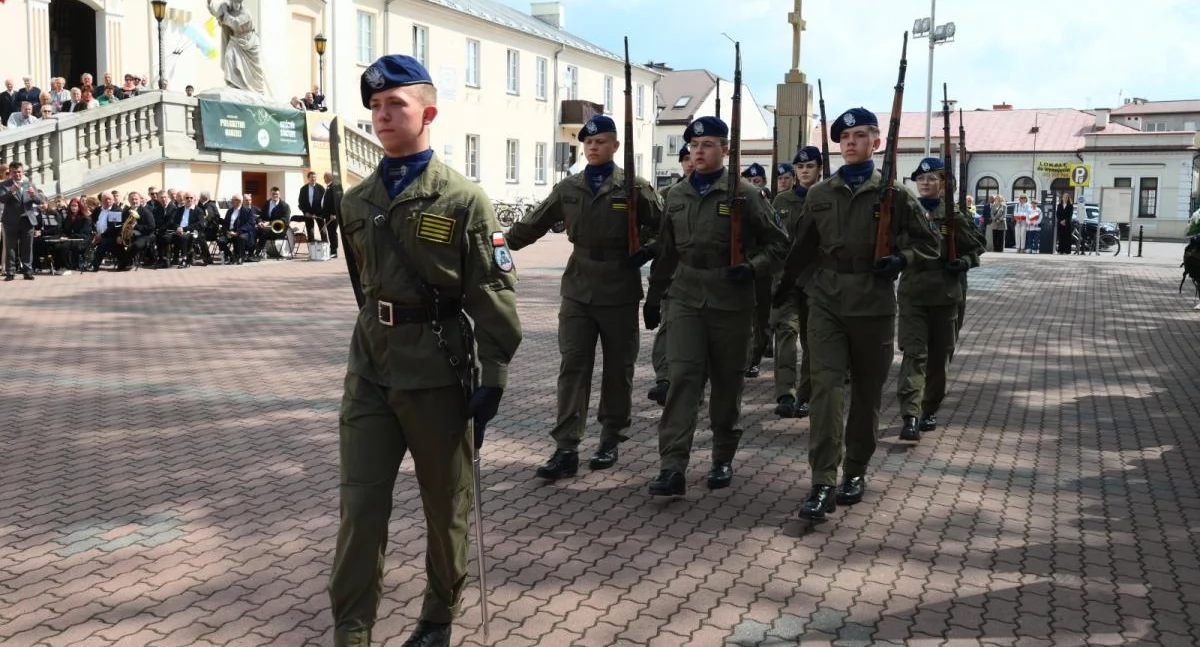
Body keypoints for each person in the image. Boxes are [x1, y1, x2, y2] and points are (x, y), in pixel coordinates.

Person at [329, 54, 522, 647]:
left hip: (439, 371)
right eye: (375, 106)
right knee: (361, 509)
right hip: (370, 369)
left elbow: (491, 290)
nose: (382, 116)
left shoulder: (462, 199)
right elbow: (364, 286)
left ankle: (438, 616)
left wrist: (493, 376)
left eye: (396, 104)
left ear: (428, 113)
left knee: (446, 505)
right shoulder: (356, 201)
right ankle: (352, 633)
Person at [774, 108, 940, 521]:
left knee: (866, 396)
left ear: (876, 143)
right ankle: (822, 481)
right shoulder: (820, 194)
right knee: (826, 392)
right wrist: (792, 288)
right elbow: (801, 248)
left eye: (860, 135)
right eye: (845, 137)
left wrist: (900, 259)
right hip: (827, 303)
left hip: (874, 305)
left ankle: (855, 470)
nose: (851, 142)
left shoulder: (895, 194)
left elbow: (929, 244)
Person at [506, 114, 663, 481]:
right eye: (588, 143)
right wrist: (493, 242)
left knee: (618, 369)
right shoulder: (569, 188)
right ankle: (566, 447)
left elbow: (667, 230)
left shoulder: (635, 188)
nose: (593, 147)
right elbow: (532, 224)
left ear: (615, 146)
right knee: (573, 367)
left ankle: (610, 438)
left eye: (601, 141)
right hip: (578, 287)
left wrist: (648, 249)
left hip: (620, 288)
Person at [643, 115, 788, 496]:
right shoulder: (675, 195)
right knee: (682, 380)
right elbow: (666, 251)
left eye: (707, 145)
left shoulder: (745, 195)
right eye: (694, 145)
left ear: (725, 150)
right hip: (686, 297)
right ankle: (672, 466)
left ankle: (722, 455)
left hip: (730, 300)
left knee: (727, 383)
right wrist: (654, 298)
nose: (699, 152)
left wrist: (752, 268)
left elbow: (779, 245)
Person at [895, 158, 986, 442]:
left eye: (932, 178)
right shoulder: (907, 211)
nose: (925, 183)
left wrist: (964, 262)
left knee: (939, 357)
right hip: (913, 293)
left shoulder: (953, 214)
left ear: (944, 183)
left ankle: (929, 408)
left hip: (946, 294)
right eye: (921, 179)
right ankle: (910, 414)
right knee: (914, 353)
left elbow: (976, 246)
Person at [769, 146, 822, 419]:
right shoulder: (782, 201)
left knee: (813, 339)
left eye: (810, 166)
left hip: (816, 281)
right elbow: (774, 239)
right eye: (800, 167)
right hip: (787, 280)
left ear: (819, 169)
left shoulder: (826, 198)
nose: (804, 171)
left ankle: (805, 394)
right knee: (786, 333)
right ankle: (785, 393)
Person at [647, 143, 693, 405]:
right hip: (670, 275)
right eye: (685, 158)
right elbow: (657, 235)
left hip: (702, 277)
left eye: (693, 157)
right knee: (667, 326)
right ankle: (664, 379)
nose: (690, 162)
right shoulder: (666, 196)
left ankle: (692, 384)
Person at [742, 159, 776, 379]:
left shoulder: (767, 203)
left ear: (764, 182)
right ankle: (746, 358)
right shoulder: (739, 202)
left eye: (757, 180)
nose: (753, 184)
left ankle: (754, 358)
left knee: (761, 318)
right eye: (750, 180)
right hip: (741, 266)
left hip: (762, 268)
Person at [0, 162, 46, 280]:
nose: (17, 174)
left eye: (19, 172)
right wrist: (11, 191)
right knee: (10, 247)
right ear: (10, 173)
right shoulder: (4, 184)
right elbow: (2, 199)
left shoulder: (28, 184)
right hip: (10, 221)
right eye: (14, 172)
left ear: (23, 172)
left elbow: (39, 200)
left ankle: (28, 271)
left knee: (27, 247)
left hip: (27, 220)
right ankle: (10, 272)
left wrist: (33, 195)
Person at [296, 170, 326, 245]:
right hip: (308, 213)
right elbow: (301, 202)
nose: (313, 179)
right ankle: (311, 247)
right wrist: (305, 212)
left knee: (323, 231)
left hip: (319, 214)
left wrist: (319, 213)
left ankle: (326, 247)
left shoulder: (321, 188)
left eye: (315, 177)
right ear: (308, 178)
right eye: (312, 177)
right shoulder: (303, 189)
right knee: (310, 231)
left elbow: (324, 202)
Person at [321, 171, 343, 259]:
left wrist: (333, 213)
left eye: (325, 177)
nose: (324, 179)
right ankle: (332, 250)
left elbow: (336, 201)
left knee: (332, 232)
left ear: (329, 178)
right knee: (330, 232)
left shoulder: (334, 187)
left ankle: (334, 251)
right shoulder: (329, 187)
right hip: (328, 215)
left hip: (332, 216)